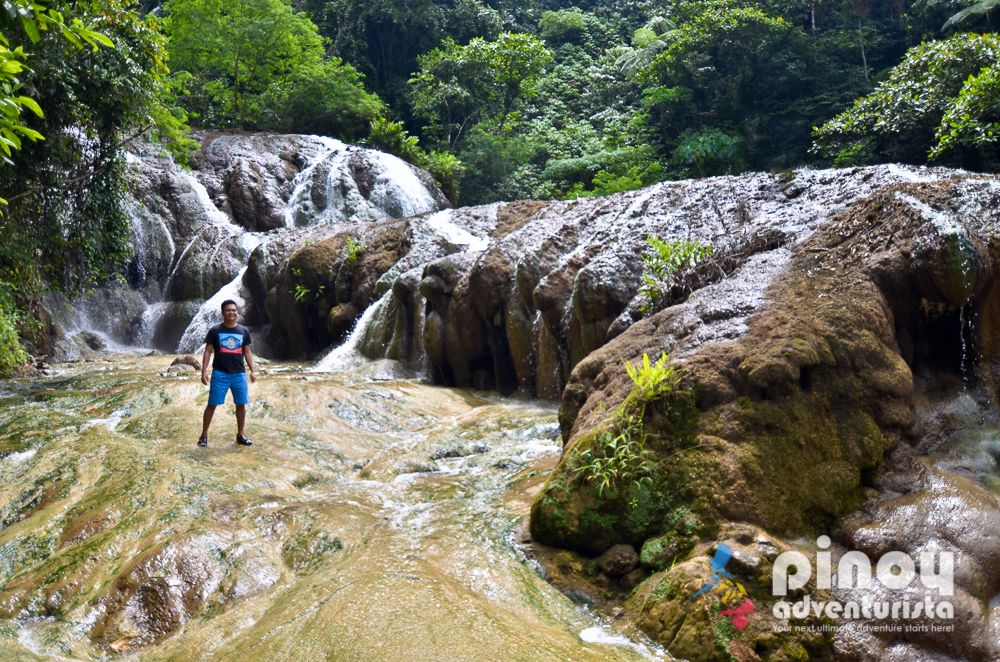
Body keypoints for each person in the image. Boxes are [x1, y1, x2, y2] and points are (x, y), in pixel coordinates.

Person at [198, 299, 258, 447]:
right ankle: (204, 435)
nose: (231, 312)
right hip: (220, 373)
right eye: (228, 310)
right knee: (212, 404)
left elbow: (248, 352)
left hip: (239, 373)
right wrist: (204, 371)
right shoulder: (215, 330)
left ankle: (240, 434)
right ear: (222, 313)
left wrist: (253, 370)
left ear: (237, 312)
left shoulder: (243, 331)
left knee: (241, 404)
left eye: (234, 310)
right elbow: (208, 351)